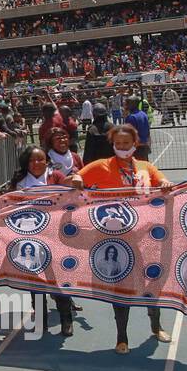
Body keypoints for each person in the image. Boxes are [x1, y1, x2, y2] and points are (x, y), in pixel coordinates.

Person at [71, 124, 173, 354]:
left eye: (126, 143)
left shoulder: (146, 167)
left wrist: (165, 184)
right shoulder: (102, 166)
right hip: (116, 240)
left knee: (151, 283)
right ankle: (122, 338)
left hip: (145, 238)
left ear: (135, 144)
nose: (122, 147)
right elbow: (77, 176)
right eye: (118, 144)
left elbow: (163, 182)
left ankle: (156, 327)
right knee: (121, 288)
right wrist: (76, 179)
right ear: (113, 145)